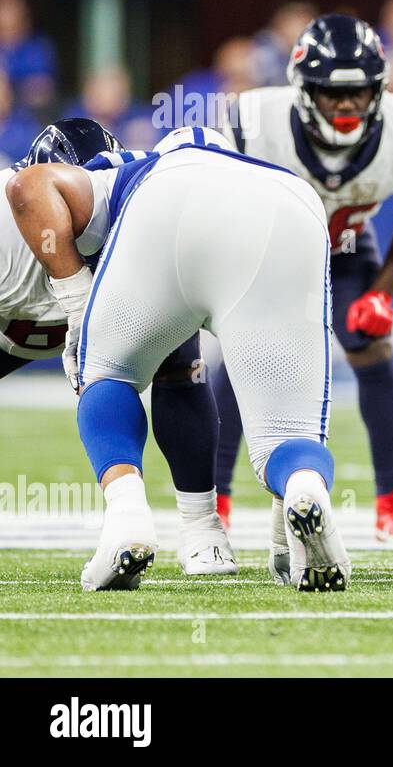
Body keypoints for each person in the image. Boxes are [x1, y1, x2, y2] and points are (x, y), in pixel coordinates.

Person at [5, 130, 347, 591]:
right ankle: (305, 488)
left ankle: (128, 521)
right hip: (291, 204)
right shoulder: (215, 174)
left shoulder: (114, 180)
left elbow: (29, 187)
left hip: (162, 205)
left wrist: (77, 305)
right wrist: (284, 541)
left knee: (109, 374)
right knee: (289, 434)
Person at [214, 13, 393, 548]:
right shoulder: (255, 123)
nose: (346, 106)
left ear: (379, 91)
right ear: (302, 91)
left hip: (345, 248)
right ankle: (215, 503)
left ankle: (392, 505)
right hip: (266, 250)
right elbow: (219, 208)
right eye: (331, 93)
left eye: (359, 93)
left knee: (371, 347)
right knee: (243, 358)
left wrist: (383, 290)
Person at [1, 122, 237, 576]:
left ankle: (202, 528)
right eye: (63, 197)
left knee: (182, 366)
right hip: (8, 327)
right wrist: (78, 304)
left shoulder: (129, 207)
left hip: (103, 303)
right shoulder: (7, 234)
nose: (73, 208)